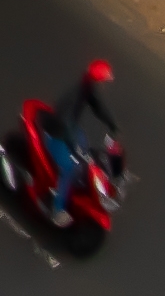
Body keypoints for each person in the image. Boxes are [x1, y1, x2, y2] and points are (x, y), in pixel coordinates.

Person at [36, 60, 118, 220]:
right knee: (69, 168)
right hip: (56, 134)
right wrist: (74, 148)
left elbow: (98, 107)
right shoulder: (76, 94)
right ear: (96, 81)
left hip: (70, 128)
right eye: (103, 81)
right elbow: (64, 123)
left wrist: (112, 125)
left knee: (88, 155)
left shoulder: (87, 89)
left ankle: (83, 188)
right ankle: (57, 208)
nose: (104, 85)